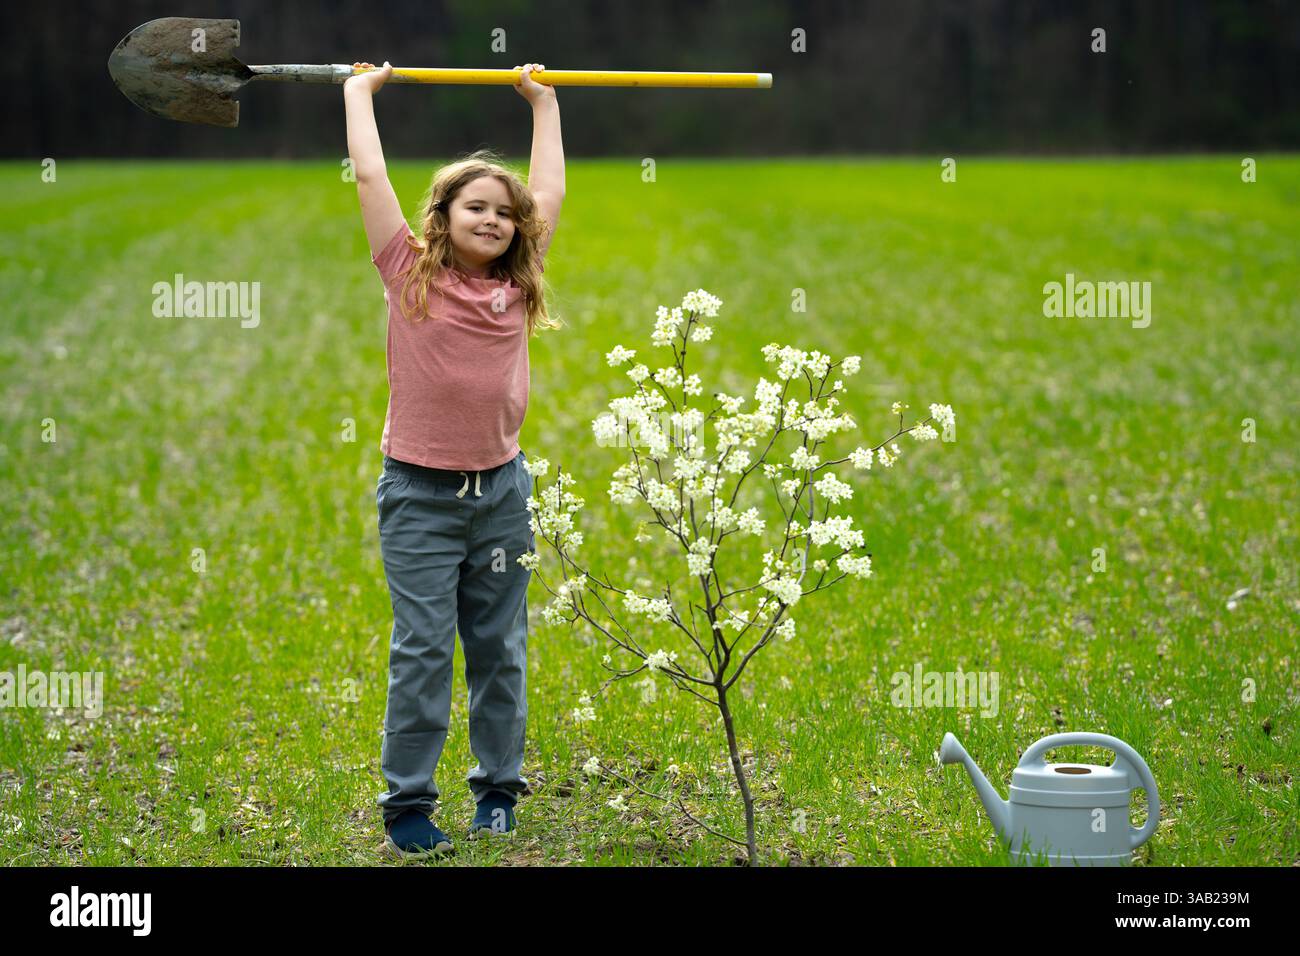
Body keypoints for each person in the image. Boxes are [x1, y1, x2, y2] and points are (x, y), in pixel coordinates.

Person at [344, 59, 565, 857]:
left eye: (505, 214)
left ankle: (498, 792)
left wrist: (542, 105)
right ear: (442, 216)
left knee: (501, 650)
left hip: (504, 493)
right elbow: (369, 175)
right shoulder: (408, 274)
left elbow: (550, 193)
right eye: (476, 206)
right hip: (420, 497)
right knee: (425, 650)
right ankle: (407, 802)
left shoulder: (518, 285)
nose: (494, 220)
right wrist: (358, 95)